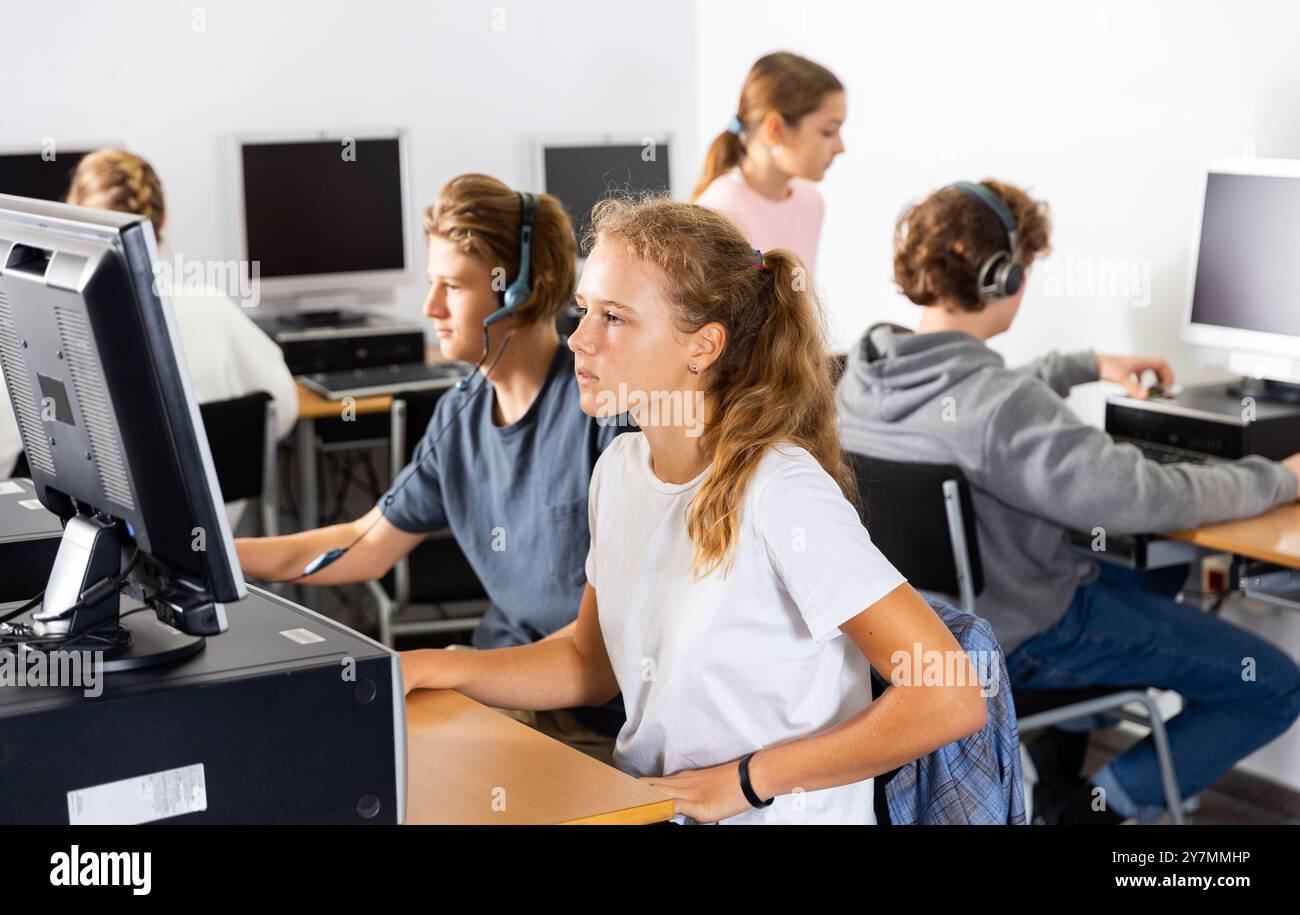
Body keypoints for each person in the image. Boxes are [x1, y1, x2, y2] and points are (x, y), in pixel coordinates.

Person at [402, 195, 987, 824]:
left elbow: (949, 695)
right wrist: (441, 665)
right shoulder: (620, 471)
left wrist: (746, 781)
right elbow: (588, 664)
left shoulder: (780, 490)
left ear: (702, 346)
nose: (579, 338)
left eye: (615, 319)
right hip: (652, 808)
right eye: (585, 311)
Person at [835, 178, 1300, 823]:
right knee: (1273, 684)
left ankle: (1058, 766)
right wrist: (1278, 479)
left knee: (1156, 576)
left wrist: (1078, 364)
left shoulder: (860, 375)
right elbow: (1142, 496)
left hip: (910, 637)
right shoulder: (1000, 408)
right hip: (1024, 636)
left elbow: (970, 404)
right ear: (1005, 276)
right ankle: (1092, 810)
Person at [235, 173, 629, 759]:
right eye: (430, 284)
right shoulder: (461, 410)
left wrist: (458, 669)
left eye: (453, 286)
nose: (430, 308)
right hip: (502, 681)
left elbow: (604, 648)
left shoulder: (603, 410)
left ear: (521, 290)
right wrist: (215, 555)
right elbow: (362, 543)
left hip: (590, 715)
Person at [692, 51, 846, 278]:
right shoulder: (721, 211)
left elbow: (798, 302)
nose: (840, 147)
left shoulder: (811, 202)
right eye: (828, 132)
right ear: (776, 129)